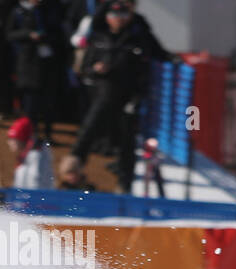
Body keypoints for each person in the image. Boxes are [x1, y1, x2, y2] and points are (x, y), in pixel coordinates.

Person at [68, 0, 166, 194]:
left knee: (126, 140)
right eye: (114, 15)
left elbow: (151, 60)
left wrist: (138, 97)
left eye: (123, 15)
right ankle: (72, 173)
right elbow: (85, 67)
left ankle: (124, 183)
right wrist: (95, 70)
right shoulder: (99, 35)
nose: (118, 20)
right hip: (103, 94)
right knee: (90, 129)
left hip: (128, 96)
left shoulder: (137, 35)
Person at [5, 0, 65, 140]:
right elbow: (9, 34)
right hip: (28, 63)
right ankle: (31, 134)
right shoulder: (19, 11)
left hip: (48, 62)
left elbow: (60, 33)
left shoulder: (51, 10)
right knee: (31, 101)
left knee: (48, 101)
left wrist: (47, 38)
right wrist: (28, 34)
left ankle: (48, 135)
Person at [6, 113, 51, 188]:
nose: (9, 142)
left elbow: (35, 186)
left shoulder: (36, 155)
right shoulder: (26, 155)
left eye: (13, 139)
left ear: (22, 140)